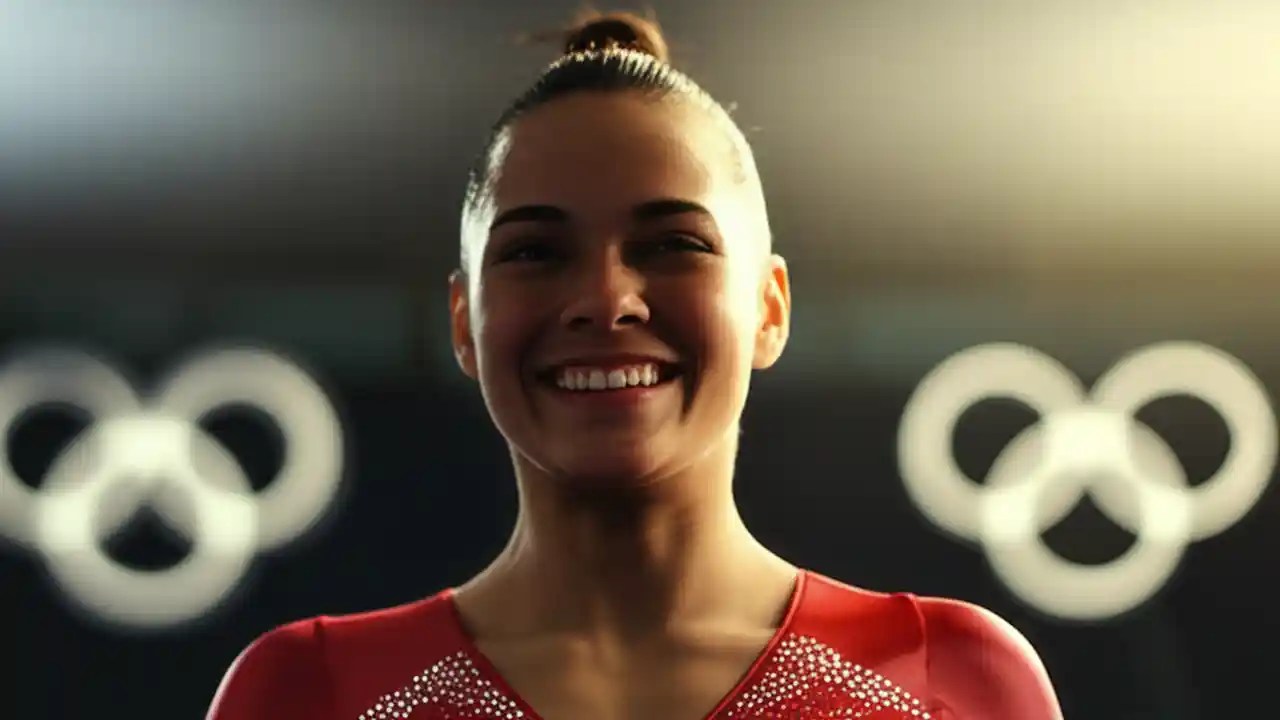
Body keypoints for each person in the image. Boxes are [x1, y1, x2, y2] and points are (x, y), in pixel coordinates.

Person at [207, 11, 1063, 720]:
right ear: (464, 323)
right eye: (536, 252)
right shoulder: (308, 692)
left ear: (769, 308)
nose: (606, 298)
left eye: (674, 244)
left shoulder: (950, 681)